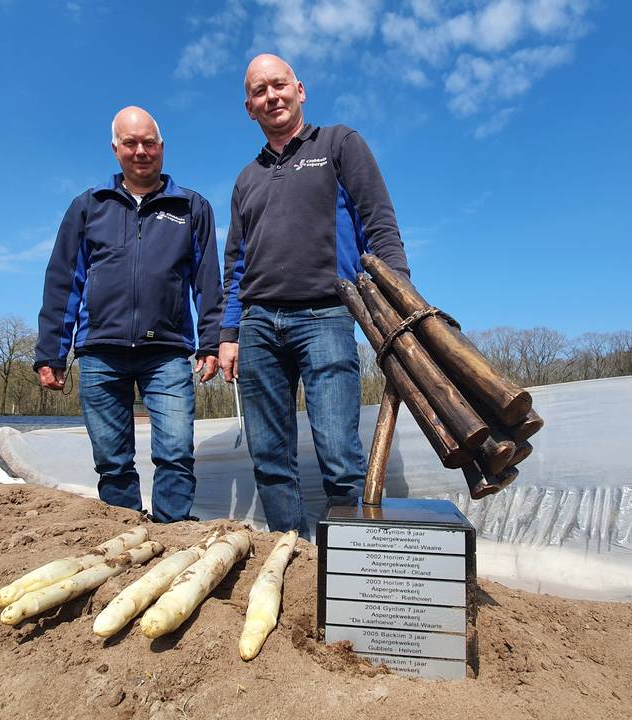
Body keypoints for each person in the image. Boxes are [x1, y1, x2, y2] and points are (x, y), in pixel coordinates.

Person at [218, 54, 410, 536]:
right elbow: (235, 264)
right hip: (259, 324)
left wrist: (402, 302)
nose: (271, 96)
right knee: (269, 458)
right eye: (259, 91)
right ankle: (294, 554)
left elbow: (380, 225)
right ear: (249, 108)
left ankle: (354, 565)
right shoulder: (246, 179)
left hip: (326, 315)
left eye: (278, 85)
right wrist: (228, 332)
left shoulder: (339, 143)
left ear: (299, 90)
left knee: (339, 455)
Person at [34, 106, 222, 523]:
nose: (141, 151)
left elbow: (208, 281)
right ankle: (123, 538)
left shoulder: (191, 207)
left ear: (162, 147)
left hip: (168, 352)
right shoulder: (89, 206)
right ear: (115, 149)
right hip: (101, 351)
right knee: (112, 459)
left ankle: (172, 533)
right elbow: (64, 280)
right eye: (131, 143)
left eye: (149, 143)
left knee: (175, 452)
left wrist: (211, 342)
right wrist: (52, 351)